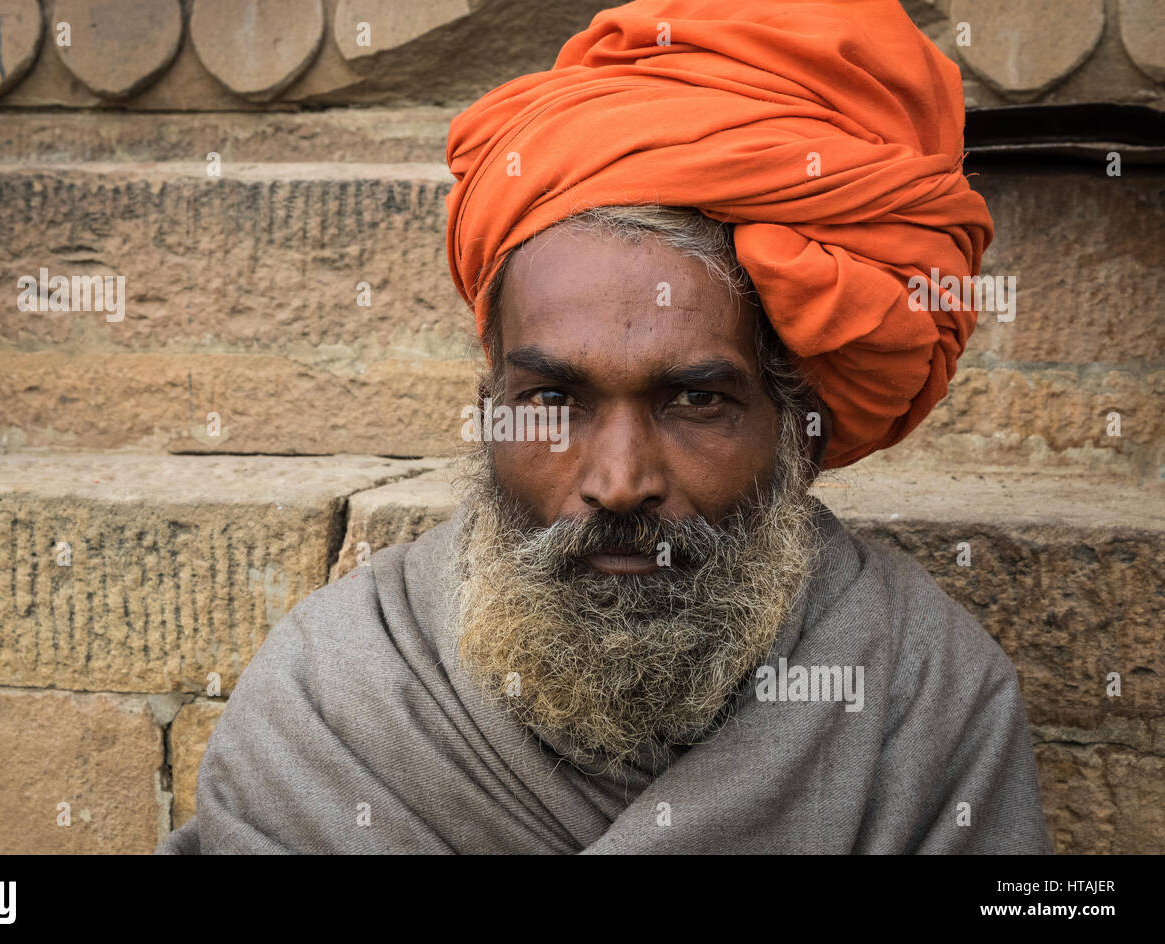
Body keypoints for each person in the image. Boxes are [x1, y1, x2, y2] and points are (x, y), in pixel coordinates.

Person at [158, 0, 1051, 854]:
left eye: (695, 401)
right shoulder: (332, 705)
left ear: (800, 435)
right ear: (488, 414)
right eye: (554, 402)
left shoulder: (921, 699)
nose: (619, 482)